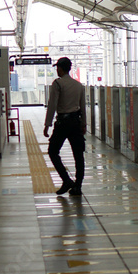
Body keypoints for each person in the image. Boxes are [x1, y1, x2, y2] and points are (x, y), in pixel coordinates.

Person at [44, 57, 86, 195]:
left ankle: (66, 179)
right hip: (75, 122)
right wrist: (84, 124)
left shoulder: (58, 84)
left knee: (52, 151)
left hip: (62, 123)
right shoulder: (79, 85)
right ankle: (77, 186)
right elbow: (83, 107)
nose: (57, 70)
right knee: (78, 155)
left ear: (61, 69)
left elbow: (52, 105)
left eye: (57, 68)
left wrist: (47, 124)